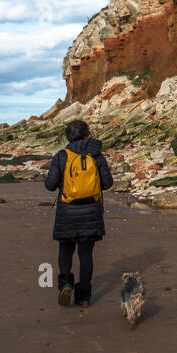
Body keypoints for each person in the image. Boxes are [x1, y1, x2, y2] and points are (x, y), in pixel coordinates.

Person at [45, 119, 114, 308]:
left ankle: (66, 284)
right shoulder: (96, 155)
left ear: (68, 136)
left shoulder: (61, 156)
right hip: (91, 211)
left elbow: (50, 185)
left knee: (65, 250)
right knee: (86, 254)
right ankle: (83, 296)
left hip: (66, 211)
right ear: (86, 134)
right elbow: (107, 184)